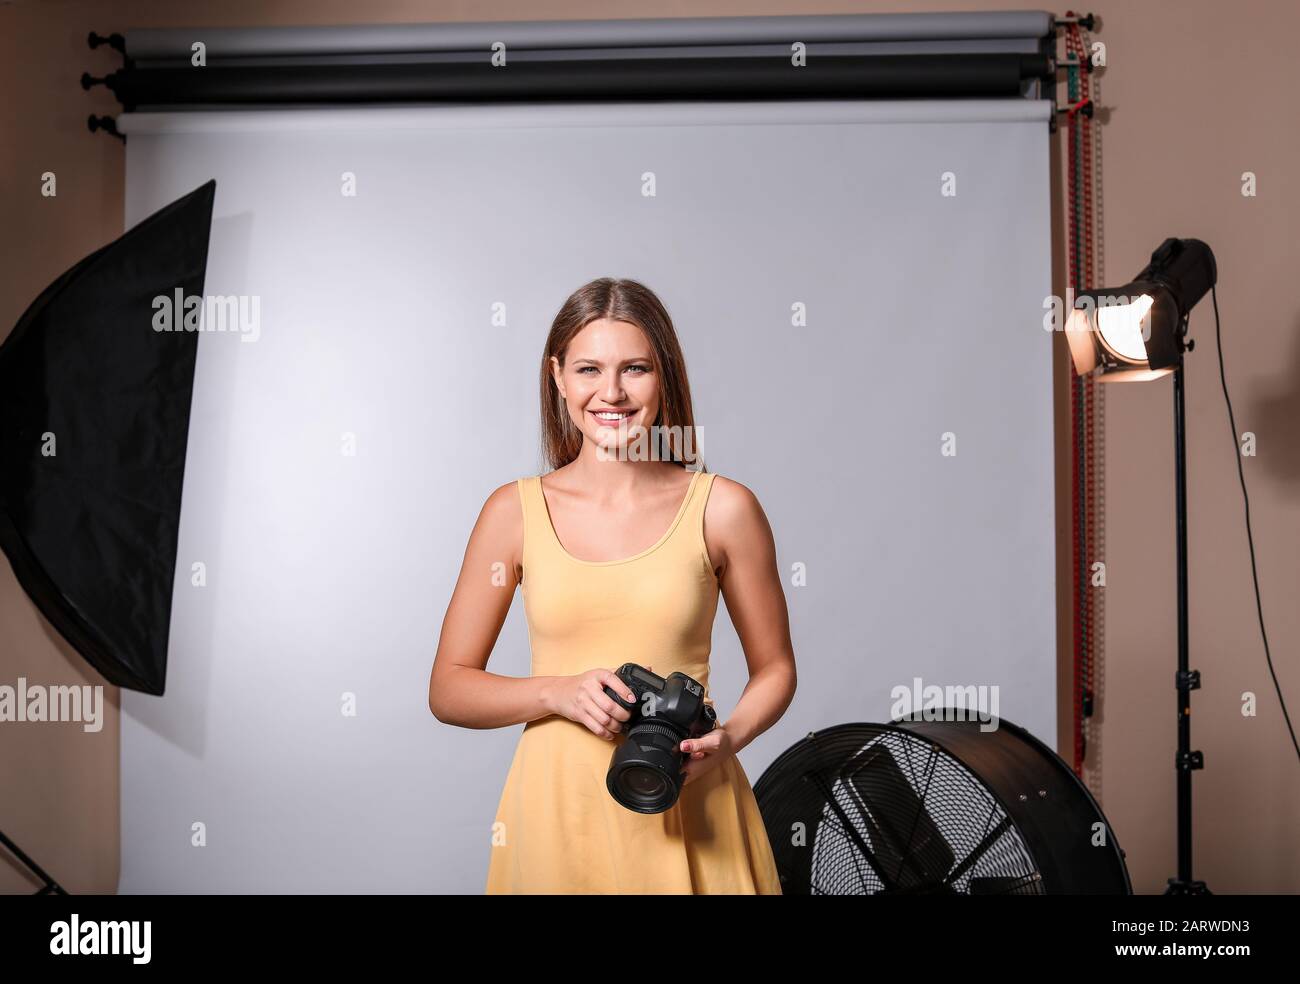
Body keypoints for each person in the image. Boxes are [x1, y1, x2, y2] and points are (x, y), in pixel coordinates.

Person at [428, 277, 796, 894]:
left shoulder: (722, 508)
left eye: (635, 369)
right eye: (589, 369)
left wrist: (728, 740)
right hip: (555, 817)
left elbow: (777, 668)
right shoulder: (512, 513)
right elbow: (449, 689)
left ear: (664, 376)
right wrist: (558, 692)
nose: (612, 393)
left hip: (690, 801)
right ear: (558, 376)